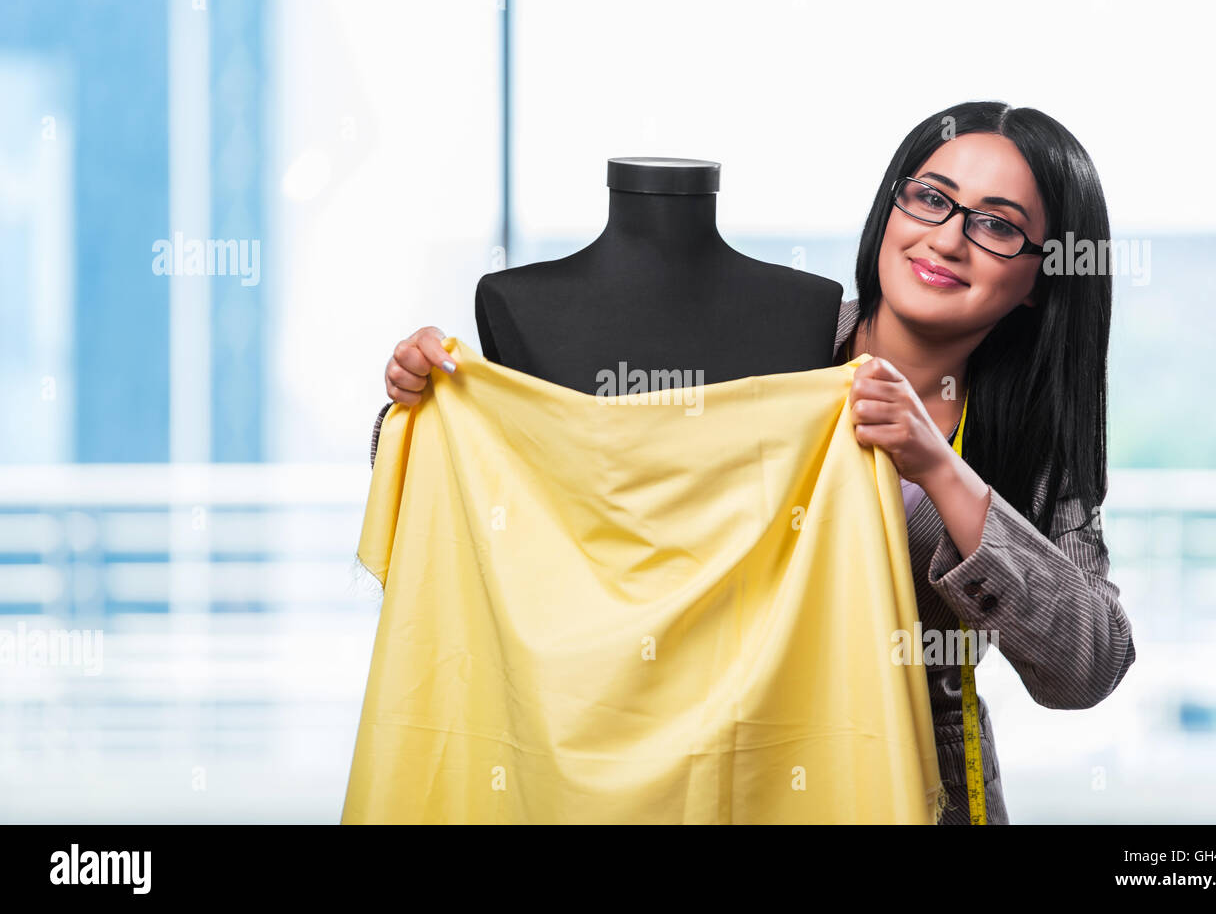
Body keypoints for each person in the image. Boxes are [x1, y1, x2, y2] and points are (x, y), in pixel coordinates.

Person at [369, 101, 1137, 824]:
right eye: (929, 198)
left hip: (913, 790)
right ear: (890, 208)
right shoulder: (762, 340)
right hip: (711, 774)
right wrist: (426, 409)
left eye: (997, 226)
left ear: (1042, 279)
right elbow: (559, 479)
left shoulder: (1030, 447)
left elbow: (1089, 664)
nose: (946, 238)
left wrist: (938, 466)